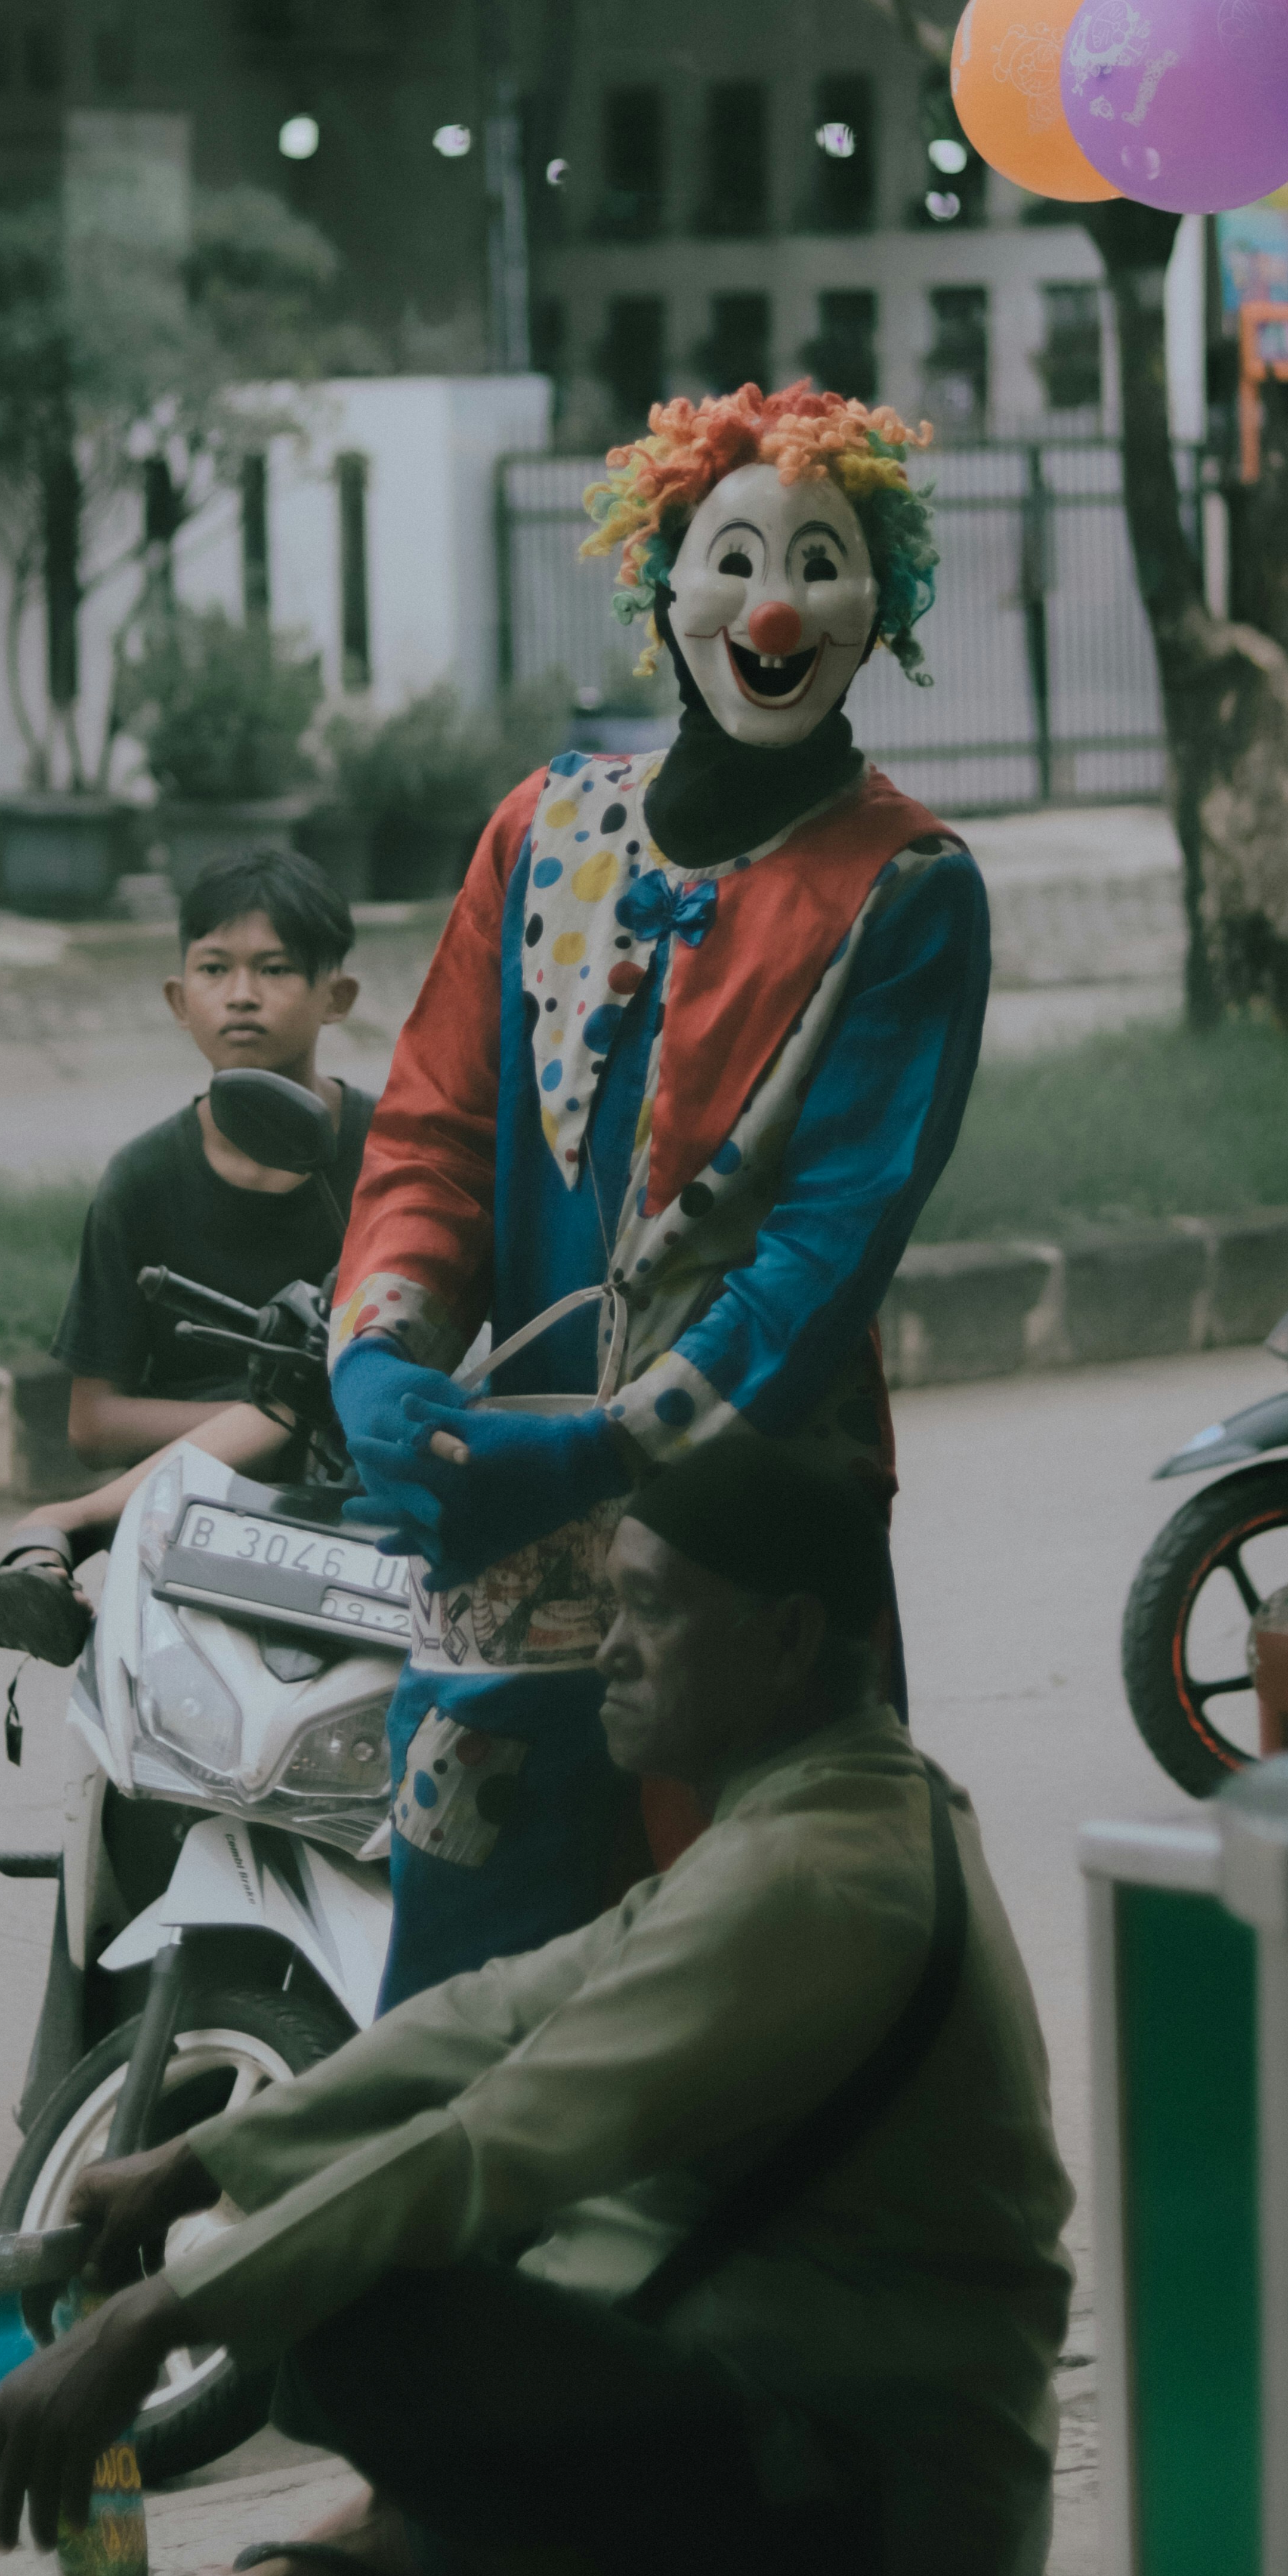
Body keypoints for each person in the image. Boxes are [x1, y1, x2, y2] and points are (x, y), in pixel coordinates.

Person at [0, 1437, 1075, 2576]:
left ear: (790, 1637)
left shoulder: (809, 1880)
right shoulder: (840, 1805)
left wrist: (154, 2316)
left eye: (650, 1611)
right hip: (817, 2443)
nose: (607, 1647)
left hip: (874, 2519)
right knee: (345, 2244)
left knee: (358, 2299)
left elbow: (489, 2144)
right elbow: (494, 2012)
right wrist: (199, 2164)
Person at [326, 383, 990, 2010]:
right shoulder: (544, 830)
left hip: (754, 1549)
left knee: (749, 1993)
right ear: (665, 592)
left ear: (880, 603)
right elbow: (428, 1135)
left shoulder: (913, 887)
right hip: (504, 1538)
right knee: (474, 1997)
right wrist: (382, 1360)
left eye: (823, 561)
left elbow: (828, 1249)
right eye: (736, 556)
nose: (776, 601)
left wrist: (610, 1448)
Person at [0, 848, 374, 1660]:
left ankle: (61, 1529)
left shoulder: (392, 1155)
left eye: (276, 968)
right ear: (180, 1000)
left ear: (337, 997)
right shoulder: (140, 1181)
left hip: (368, 1476)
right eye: (215, 968)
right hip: (192, 1508)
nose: (241, 994)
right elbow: (93, 1420)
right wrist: (286, 1420)